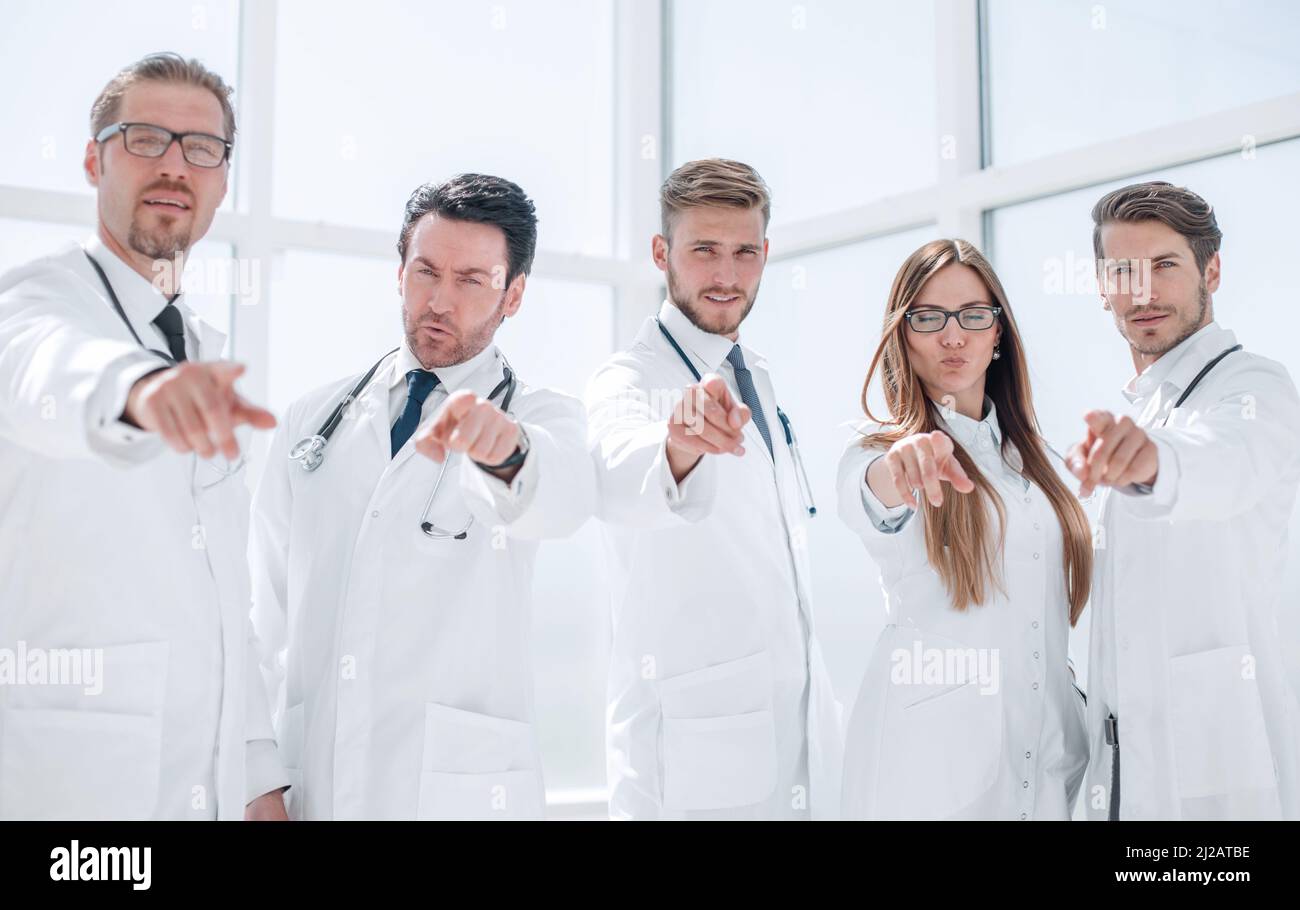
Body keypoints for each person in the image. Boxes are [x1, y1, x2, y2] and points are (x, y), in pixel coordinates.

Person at [249, 174, 595, 820]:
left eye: (471, 281)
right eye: (425, 271)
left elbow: (565, 494)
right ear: (399, 271)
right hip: (310, 789)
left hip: (460, 796)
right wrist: (255, 774)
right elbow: (261, 616)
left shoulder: (546, 420)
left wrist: (505, 450)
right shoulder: (310, 422)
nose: (438, 300)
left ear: (513, 294)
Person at [0, 53, 287, 820]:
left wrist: (260, 778)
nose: (174, 165)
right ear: (95, 159)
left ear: (223, 180)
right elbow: (43, 369)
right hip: (74, 791)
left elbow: (228, 599)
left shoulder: (205, 350)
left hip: (208, 787)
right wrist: (138, 391)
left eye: (201, 149)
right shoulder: (38, 301)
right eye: (144, 139)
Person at [585, 158, 841, 820]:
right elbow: (618, 468)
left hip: (790, 742)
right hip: (688, 763)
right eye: (704, 251)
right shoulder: (627, 379)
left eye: (744, 252)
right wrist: (675, 446)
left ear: (765, 253)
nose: (726, 276)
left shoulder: (757, 375)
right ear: (661, 253)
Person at [1068, 181, 1300, 820]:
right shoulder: (1137, 410)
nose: (1141, 292)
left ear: (1212, 270)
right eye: (1122, 271)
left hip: (1215, 782)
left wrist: (1154, 464)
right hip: (1118, 779)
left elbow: (1225, 459)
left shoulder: (1255, 386)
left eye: (1164, 266)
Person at [836, 239, 1091, 820]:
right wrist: (901, 469)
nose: (954, 337)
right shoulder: (879, 451)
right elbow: (869, 496)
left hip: (1046, 756)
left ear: (998, 332)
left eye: (974, 316)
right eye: (928, 318)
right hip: (928, 771)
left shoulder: (1039, 461)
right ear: (902, 333)